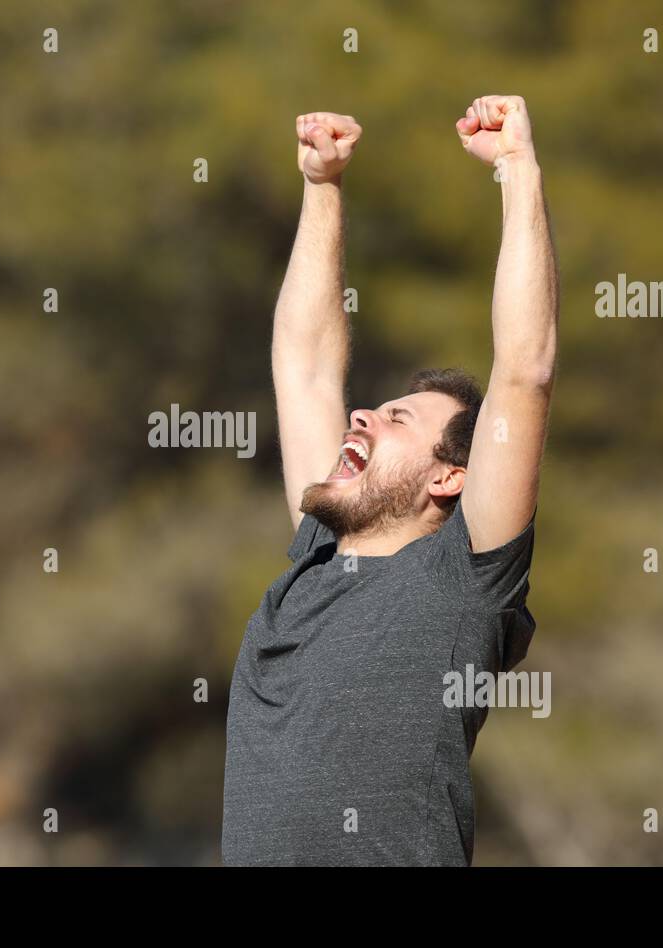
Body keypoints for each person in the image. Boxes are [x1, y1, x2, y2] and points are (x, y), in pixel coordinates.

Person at [222, 97, 558, 865]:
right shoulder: (313, 559)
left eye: (399, 420)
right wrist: (322, 186)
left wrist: (516, 168)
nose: (363, 415)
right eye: (372, 411)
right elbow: (304, 367)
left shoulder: (464, 579)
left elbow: (525, 369)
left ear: (450, 476)